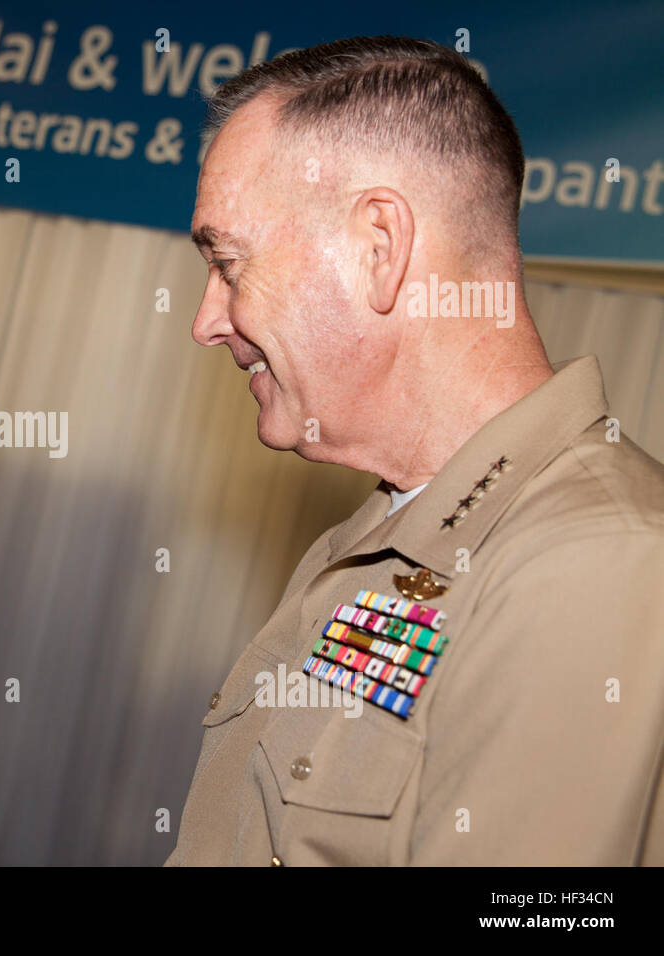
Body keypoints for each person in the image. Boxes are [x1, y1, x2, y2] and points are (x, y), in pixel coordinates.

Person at [168, 37, 664, 865]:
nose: (207, 320)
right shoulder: (388, 529)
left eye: (228, 262)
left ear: (380, 246)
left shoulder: (595, 557)